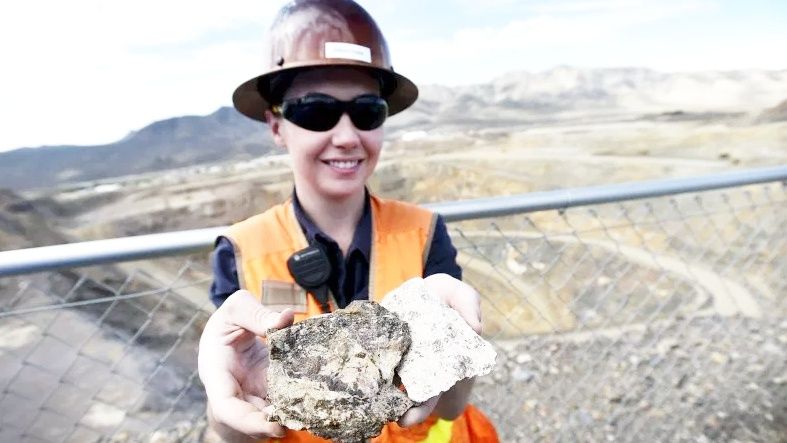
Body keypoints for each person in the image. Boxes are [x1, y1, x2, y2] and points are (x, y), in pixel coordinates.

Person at [198, 1, 499, 441]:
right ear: (276, 125)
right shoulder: (241, 251)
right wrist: (223, 410)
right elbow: (237, 428)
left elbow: (451, 408)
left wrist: (459, 344)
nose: (346, 136)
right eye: (315, 111)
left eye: (366, 111)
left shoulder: (424, 233)